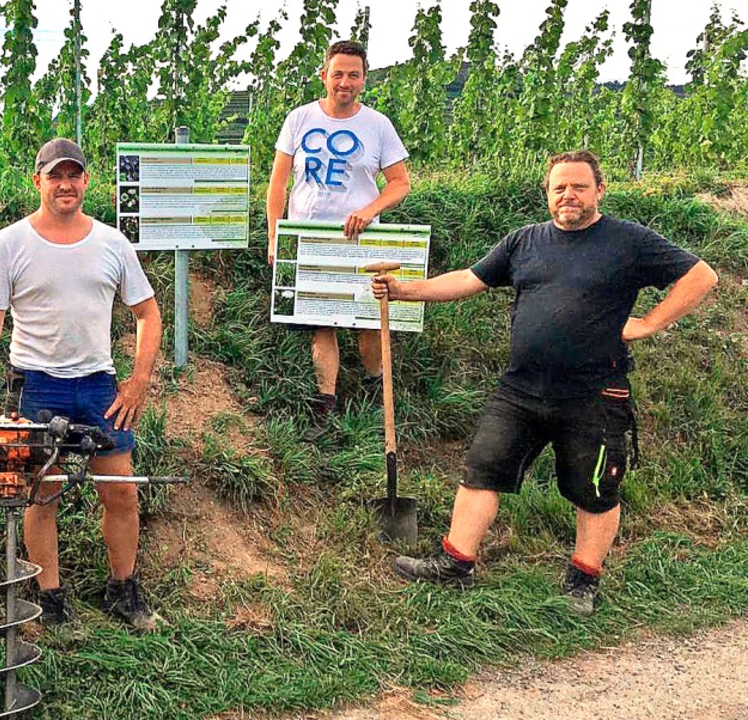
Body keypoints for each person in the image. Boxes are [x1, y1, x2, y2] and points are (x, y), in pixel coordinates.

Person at [375, 150, 718, 615]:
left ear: (599, 190)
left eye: (579, 186)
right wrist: (405, 290)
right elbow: (469, 279)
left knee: (593, 491)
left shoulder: (629, 241)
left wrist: (651, 323)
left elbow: (700, 275)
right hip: (520, 390)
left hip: (595, 393)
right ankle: (456, 564)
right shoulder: (524, 242)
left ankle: (583, 581)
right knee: (481, 471)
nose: (568, 195)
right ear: (547, 193)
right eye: (559, 187)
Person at [0, 138, 163, 633]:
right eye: (55, 176)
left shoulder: (112, 243)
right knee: (42, 494)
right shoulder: (10, 243)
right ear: (38, 181)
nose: (65, 184)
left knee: (121, 492)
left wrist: (137, 383)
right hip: (37, 386)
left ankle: (123, 590)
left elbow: (148, 315)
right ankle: (50, 598)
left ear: (86, 180)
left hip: (99, 387)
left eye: (73, 175)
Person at [267, 40, 411, 429]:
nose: (344, 82)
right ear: (324, 76)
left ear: (364, 79)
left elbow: (400, 183)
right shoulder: (299, 119)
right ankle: (324, 405)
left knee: (367, 318)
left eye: (353, 75)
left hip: (361, 241)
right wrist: (275, 236)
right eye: (337, 74)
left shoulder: (378, 125)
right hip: (309, 238)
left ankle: (375, 390)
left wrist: (368, 210)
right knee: (321, 321)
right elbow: (278, 184)